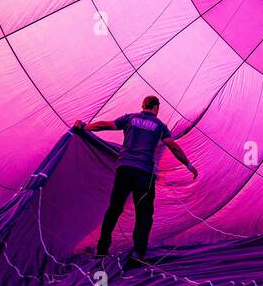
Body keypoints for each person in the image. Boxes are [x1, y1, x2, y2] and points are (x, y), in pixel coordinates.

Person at [74, 96, 197, 265]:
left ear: (143, 106)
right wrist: (188, 164)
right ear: (156, 108)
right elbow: (173, 146)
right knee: (144, 214)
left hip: (124, 169)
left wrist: (84, 127)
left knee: (114, 209)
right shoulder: (160, 126)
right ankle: (138, 254)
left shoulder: (130, 118)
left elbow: (104, 125)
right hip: (143, 173)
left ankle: (101, 251)